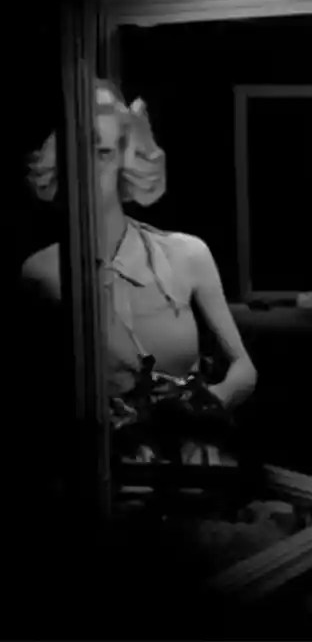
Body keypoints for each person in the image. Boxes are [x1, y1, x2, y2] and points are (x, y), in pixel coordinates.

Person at [21, 79, 257, 464]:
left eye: (101, 153)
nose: (88, 170)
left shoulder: (187, 255)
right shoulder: (42, 272)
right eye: (75, 155)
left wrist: (210, 404)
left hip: (194, 469)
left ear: (124, 158)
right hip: (97, 477)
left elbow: (244, 368)